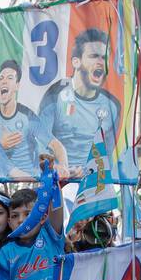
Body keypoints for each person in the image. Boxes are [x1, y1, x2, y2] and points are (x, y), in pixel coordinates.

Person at [36, 28, 119, 178]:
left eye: (104, 57)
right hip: (58, 184)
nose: (101, 62)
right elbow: (39, 147)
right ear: (76, 61)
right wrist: (60, 169)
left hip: (93, 186)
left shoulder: (112, 105)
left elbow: (108, 155)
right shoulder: (55, 96)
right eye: (94, 56)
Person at [0, 60, 56, 180]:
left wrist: (63, 165)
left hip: (27, 184)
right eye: (1, 78)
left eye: (10, 78)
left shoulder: (27, 116)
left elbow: (55, 144)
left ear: (17, 85)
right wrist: (0, 145)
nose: (4, 81)